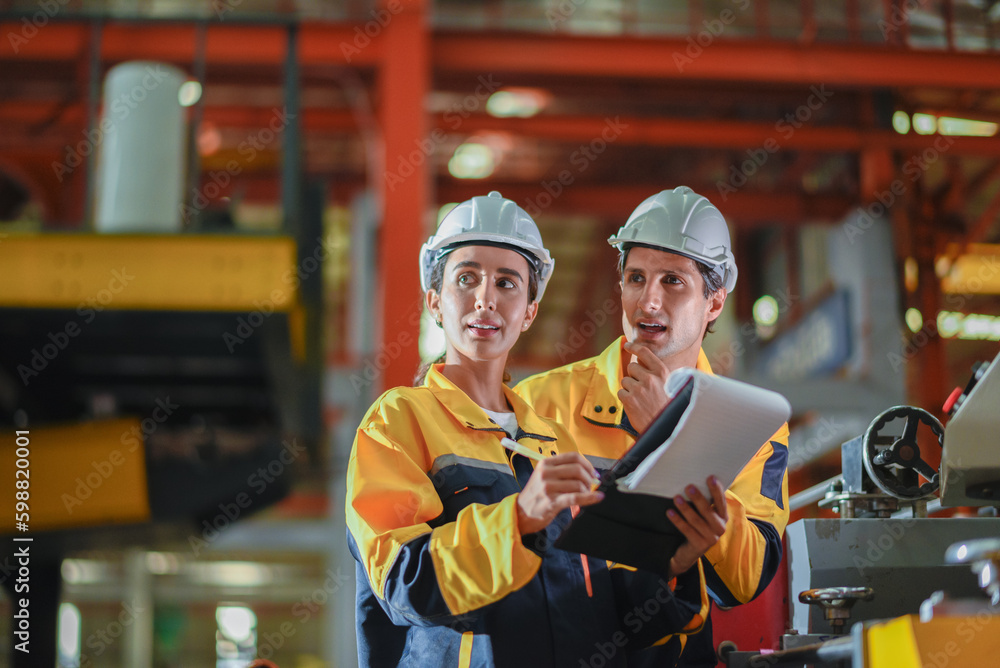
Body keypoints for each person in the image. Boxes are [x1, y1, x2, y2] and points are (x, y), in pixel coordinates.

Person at [345, 191, 730, 667]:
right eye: (466, 278)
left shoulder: (554, 444)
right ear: (435, 302)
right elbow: (405, 584)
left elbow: (602, 612)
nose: (485, 298)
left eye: (507, 283)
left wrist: (674, 563)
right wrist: (518, 519)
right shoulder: (398, 423)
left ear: (529, 311)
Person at [515, 186, 791, 667]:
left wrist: (667, 435)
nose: (648, 301)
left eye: (673, 281)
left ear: (715, 301)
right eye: (636, 277)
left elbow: (746, 580)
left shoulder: (751, 426)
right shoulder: (539, 402)